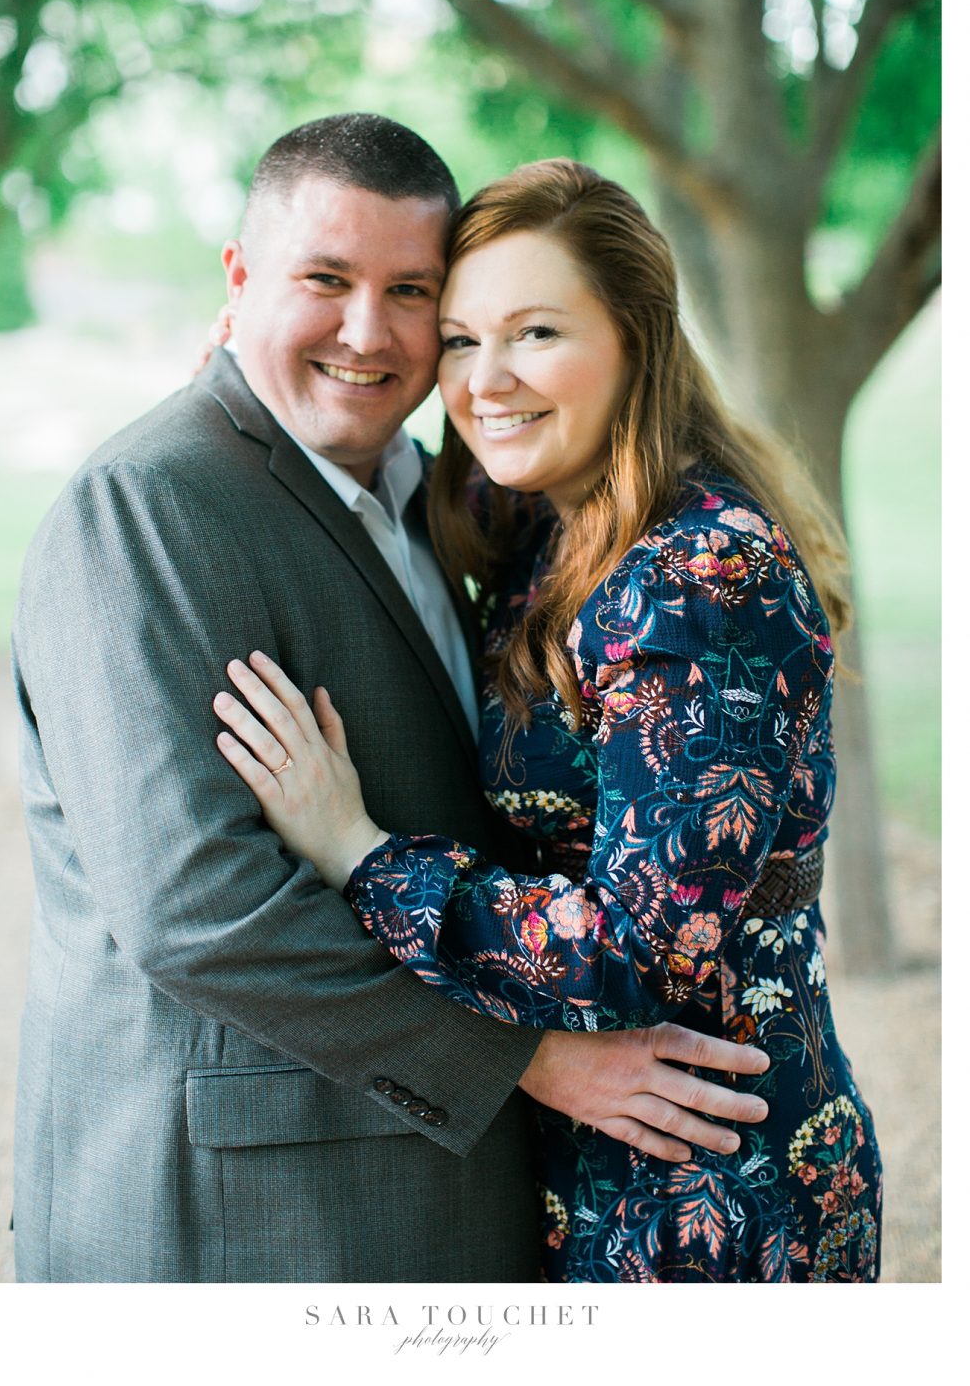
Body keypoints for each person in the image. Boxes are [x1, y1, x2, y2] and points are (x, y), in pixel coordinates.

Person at [10, 117, 769, 1283]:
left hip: (447, 1187)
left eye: (411, 291)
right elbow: (196, 910)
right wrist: (534, 1061)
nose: (367, 331)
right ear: (239, 278)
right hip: (250, 1214)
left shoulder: (448, 491)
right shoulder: (150, 506)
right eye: (324, 279)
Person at [214, 157, 884, 1283]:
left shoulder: (698, 577)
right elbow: (388, 450)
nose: (484, 380)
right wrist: (248, 374)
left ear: (635, 338)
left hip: (715, 1180)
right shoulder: (543, 512)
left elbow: (633, 948)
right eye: (464, 338)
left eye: (534, 333)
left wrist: (358, 853)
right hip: (587, 1158)